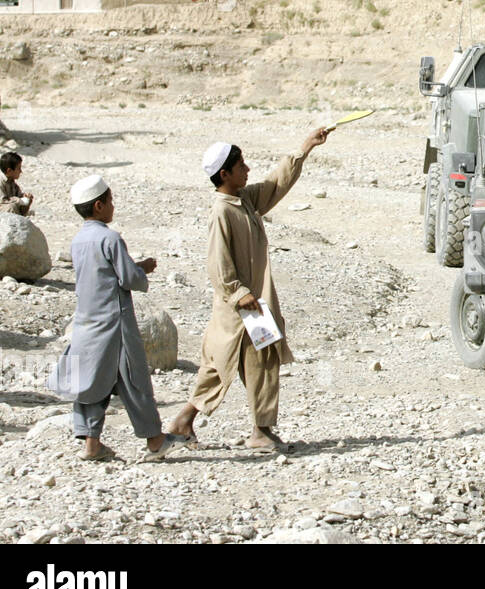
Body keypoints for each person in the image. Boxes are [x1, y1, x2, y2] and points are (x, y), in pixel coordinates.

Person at [165, 128, 328, 451]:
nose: (247, 170)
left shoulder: (245, 200)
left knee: (264, 361)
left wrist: (304, 149)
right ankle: (188, 421)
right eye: (241, 167)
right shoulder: (222, 211)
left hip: (254, 307)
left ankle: (259, 430)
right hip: (238, 309)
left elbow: (274, 185)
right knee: (216, 367)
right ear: (224, 174)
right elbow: (218, 264)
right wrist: (239, 293)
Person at [47, 175, 185, 462]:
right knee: (135, 380)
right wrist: (143, 268)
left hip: (87, 324)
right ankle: (156, 440)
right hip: (115, 323)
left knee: (91, 383)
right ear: (99, 205)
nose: (113, 205)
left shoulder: (79, 240)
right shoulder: (110, 238)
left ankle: (91, 442)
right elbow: (128, 278)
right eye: (110, 200)